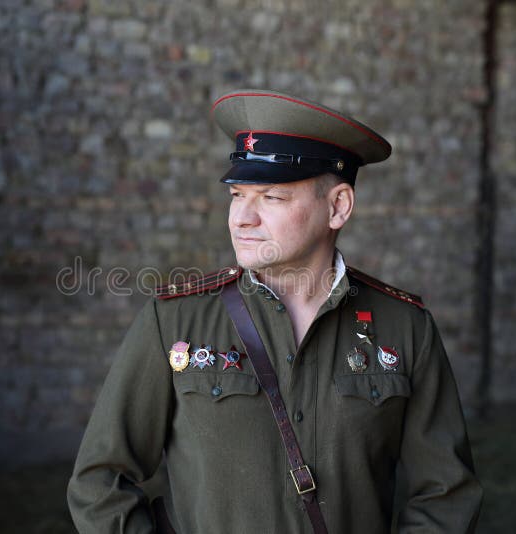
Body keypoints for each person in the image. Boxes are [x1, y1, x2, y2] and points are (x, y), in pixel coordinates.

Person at [67, 89, 483, 533]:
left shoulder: (405, 329)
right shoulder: (173, 321)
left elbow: (445, 495)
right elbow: (100, 481)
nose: (242, 218)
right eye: (237, 194)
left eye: (271, 197)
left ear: (338, 206)